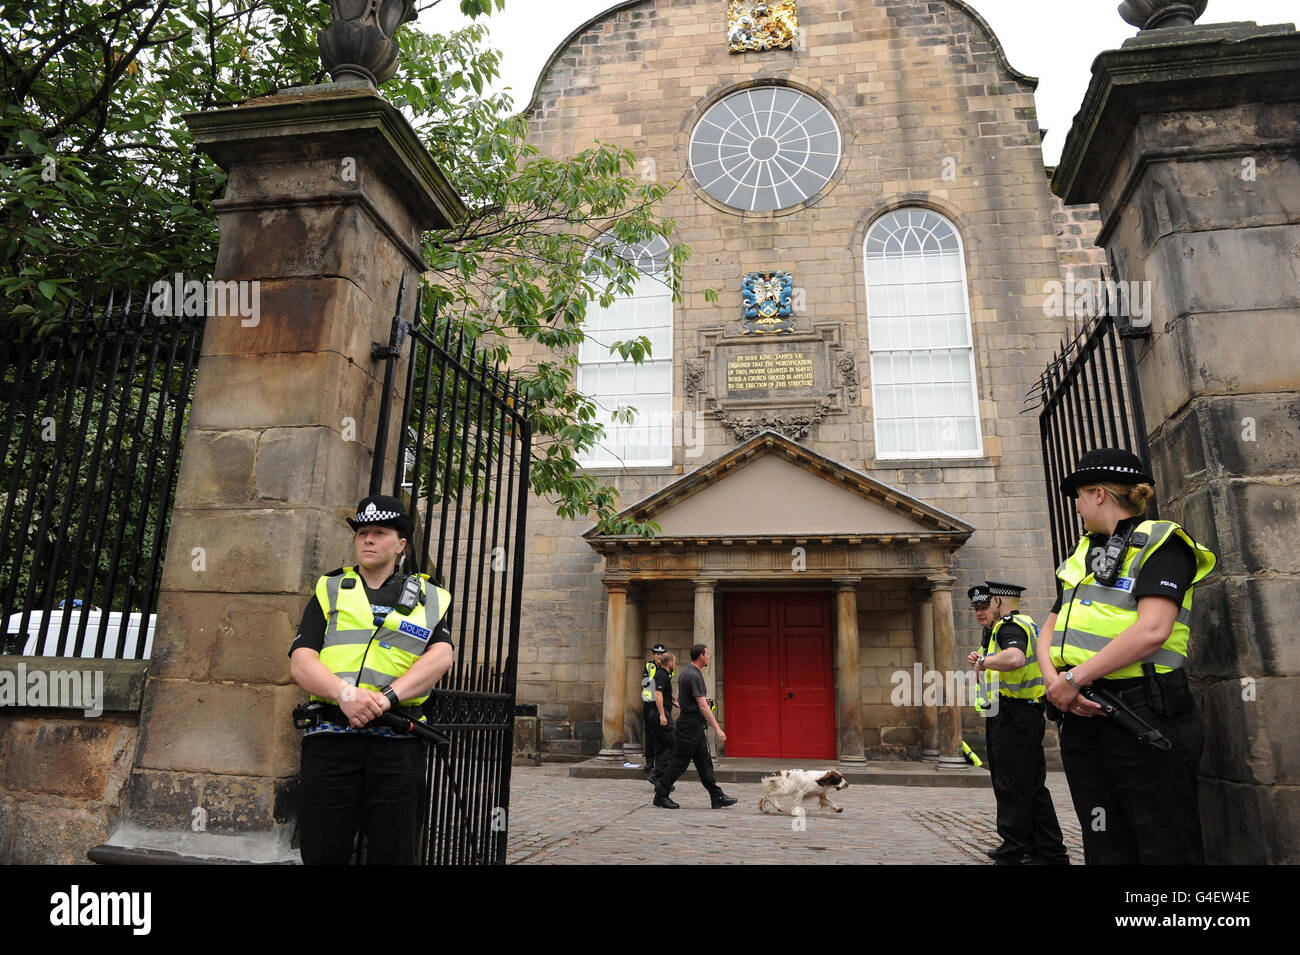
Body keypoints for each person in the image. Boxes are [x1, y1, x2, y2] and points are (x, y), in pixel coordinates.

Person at [1035, 449, 1215, 865]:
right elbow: (1050, 627)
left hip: (1142, 709)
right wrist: (1056, 685)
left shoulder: (1163, 542)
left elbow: (1153, 629)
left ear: (1099, 494)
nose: (1076, 508)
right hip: (1081, 712)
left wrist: (1072, 680)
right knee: (1102, 840)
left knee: (1162, 843)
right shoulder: (1083, 553)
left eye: (1078, 496)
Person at [289, 494, 454, 865]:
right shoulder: (329, 589)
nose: (367, 539)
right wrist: (345, 694)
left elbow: (441, 656)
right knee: (322, 850)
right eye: (362, 532)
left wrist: (387, 698)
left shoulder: (431, 597)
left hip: (396, 743)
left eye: (380, 532)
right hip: (330, 739)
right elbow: (301, 661)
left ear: (401, 545)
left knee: (394, 852)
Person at [968, 581, 1068, 865]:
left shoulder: (1010, 626)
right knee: (1031, 785)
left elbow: (1014, 658)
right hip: (1022, 713)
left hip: (1014, 714)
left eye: (986, 604)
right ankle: (1045, 849)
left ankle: (1016, 849)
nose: (981, 611)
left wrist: (984, 662)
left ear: (998, 601)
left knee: (1013, 785)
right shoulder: (1025, 623)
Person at [652, 644, 737, 809]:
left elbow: (679, 695)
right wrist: (717, 728)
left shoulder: (686, 673)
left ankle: (716, 795)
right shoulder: (694, 675)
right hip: (689, 725)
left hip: (693, 725)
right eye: (707, 654)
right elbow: (703, 706)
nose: (709, 657)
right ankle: (661, 795)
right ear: (701, 657)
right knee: (679, 762)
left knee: (704, 761)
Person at [647, 651, 677, 791]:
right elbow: (658, 694)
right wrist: (662, 715)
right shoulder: (662, 675)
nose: (674, 664)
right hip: (659, 713)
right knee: (674, 743)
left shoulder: (662, 675)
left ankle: (660, 781)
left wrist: (673, 702)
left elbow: (663, 694)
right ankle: (657, 774)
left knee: (661, 747)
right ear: (669, 663)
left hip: (656, 713)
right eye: (674, 662)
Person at [640, 643, 668, 772]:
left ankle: (659, 762)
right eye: (657, 654)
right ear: (653, 655)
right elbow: (647, 683)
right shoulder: (648, 666)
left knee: (661, 735)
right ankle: (650, 762)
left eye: (662, 654)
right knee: (650, 734)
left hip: (660, 703)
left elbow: (664, 686)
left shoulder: (668, 667)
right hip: (649, 703)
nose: (660, 656)